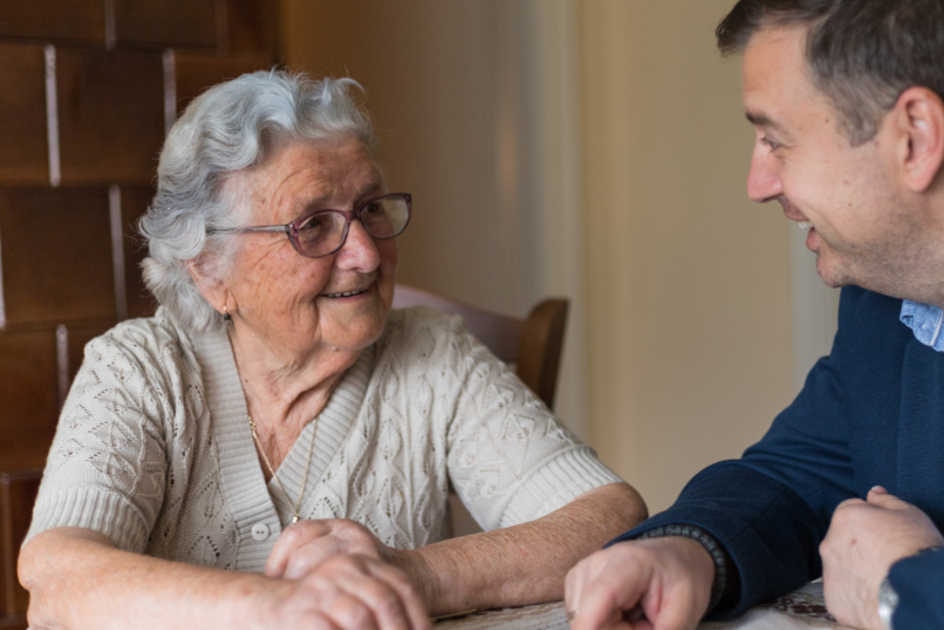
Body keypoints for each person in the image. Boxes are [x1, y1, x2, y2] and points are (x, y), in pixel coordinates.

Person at [564, 1, 944, 630]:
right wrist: (685, 552)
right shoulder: (891, 292)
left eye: (776, 139)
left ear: (915, 138)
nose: (758, 182)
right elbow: (797, 473)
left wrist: (904, 592)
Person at [18, 70, 647, 630]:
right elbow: (57, 579)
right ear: (210, 270)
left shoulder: (432, 356)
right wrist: (277, 608)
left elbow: (611, 516)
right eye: (313, 224)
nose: (367, 254)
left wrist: (411, 575)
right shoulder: (140, 372)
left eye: (370, 208)